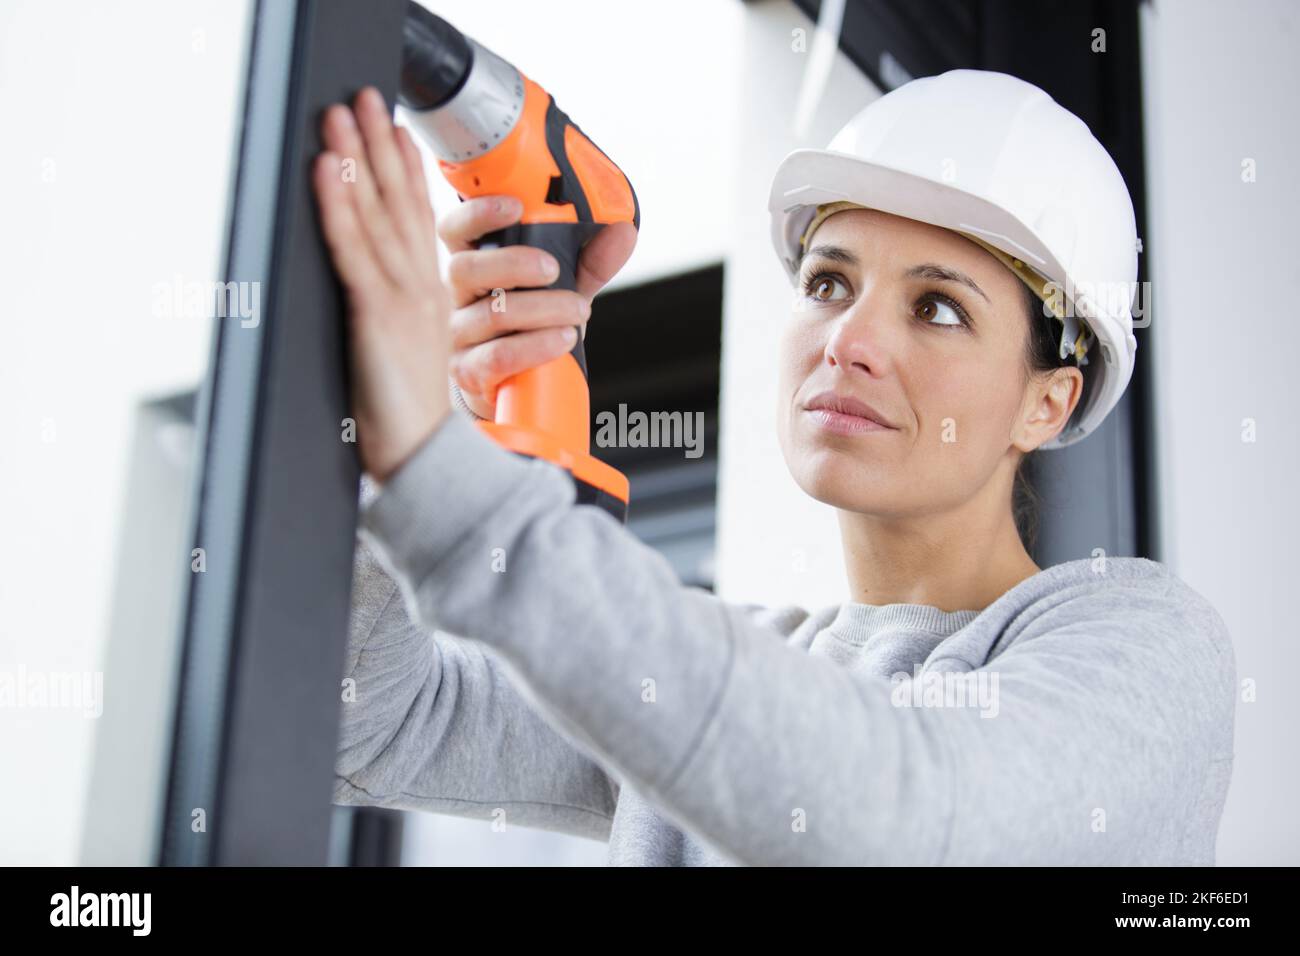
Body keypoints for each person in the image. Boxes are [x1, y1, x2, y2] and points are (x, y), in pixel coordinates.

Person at [315, 71, 1235, 866]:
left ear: (1049, 402)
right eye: (830, 284)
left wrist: (450, 482)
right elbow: (364, 725)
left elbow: (903, 820)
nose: (850, 342)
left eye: (939, 308)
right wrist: (464, 431)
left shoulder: (1147, 648)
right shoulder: (735, 670)